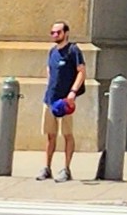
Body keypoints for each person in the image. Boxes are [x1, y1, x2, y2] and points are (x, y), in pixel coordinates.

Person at [40, 21, 85, 182]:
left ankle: (66, 168)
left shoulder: (73, 50)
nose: (54, 35)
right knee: (50, 135)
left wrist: (72, 93)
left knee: (67, 134)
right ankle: (47, 167)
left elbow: (81, 72)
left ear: (66, 33)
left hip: (66, 101)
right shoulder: (52, 52)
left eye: (57, 32)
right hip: (50, 99)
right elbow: (50, 71)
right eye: (52, 32)